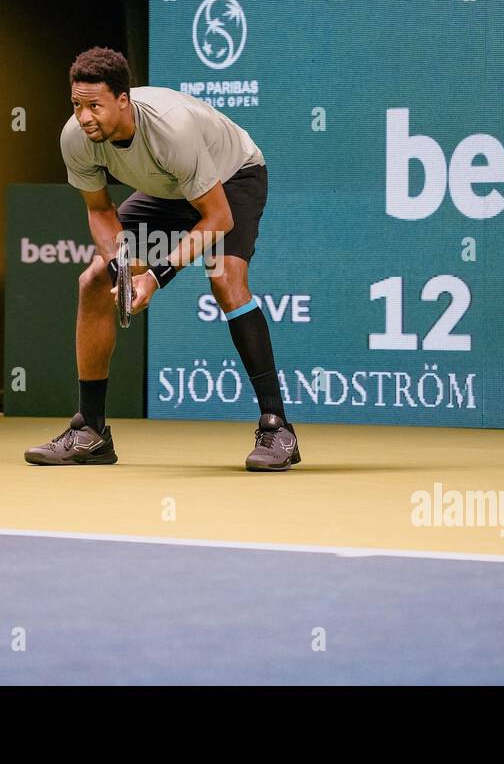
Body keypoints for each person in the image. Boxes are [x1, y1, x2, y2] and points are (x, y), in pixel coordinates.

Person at [24, 47, 300, 471]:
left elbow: (218, 217)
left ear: (123, 100)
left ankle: (277, 428)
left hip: (232, 177)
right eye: (77, 105)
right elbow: (100, 212)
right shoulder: (76, 138)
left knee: (226, 280)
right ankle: (91, 431)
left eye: (94, 105)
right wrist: (121, 268)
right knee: (94, 280)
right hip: (168, 188)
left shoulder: (170, 129)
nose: (84, 117)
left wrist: (155, 275)